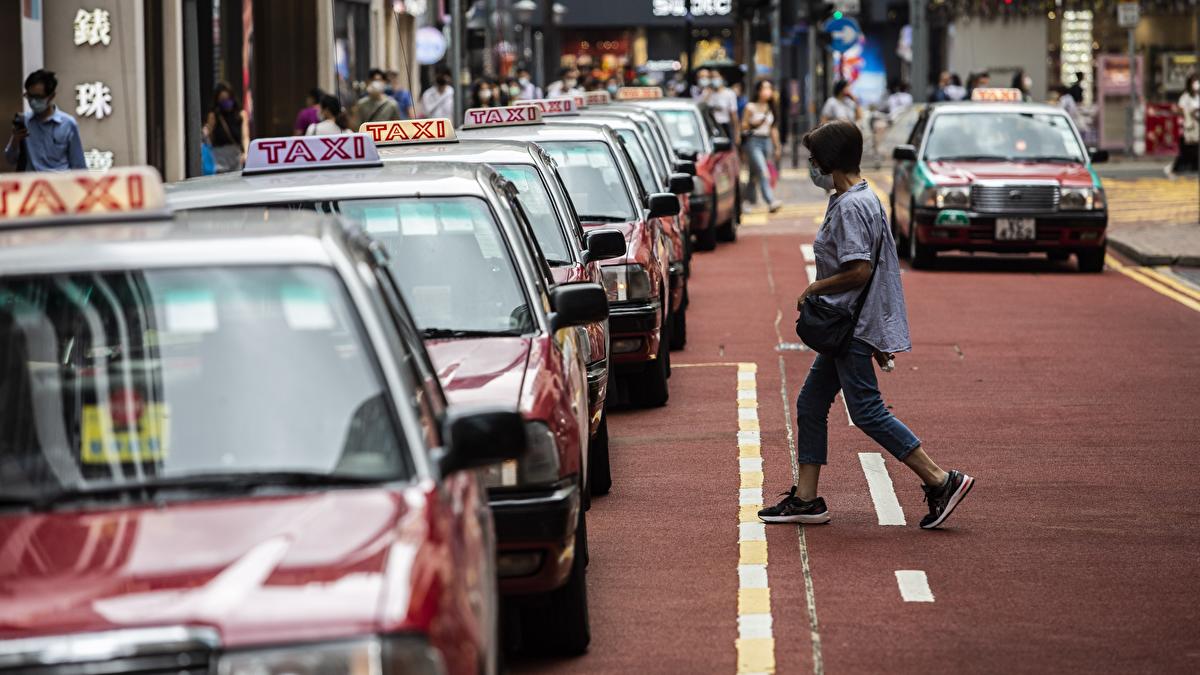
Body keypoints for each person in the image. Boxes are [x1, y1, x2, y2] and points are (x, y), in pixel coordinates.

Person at [758, 119, 975, 530]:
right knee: (810, 404)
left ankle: (940, 479)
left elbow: (859, 270)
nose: (811, 167)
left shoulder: (854, 206)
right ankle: (806, 500)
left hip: (850, 327)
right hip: (854, 325)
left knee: (867, 411)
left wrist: (814, 287)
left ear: (829, 162)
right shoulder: (856, 197)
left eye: (813, 160)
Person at [5, 69, 86, 172]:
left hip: (59, 184)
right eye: (30, 96)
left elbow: (79, 165)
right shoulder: (25, 122)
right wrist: (15, 140)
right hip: (32, 185)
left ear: (51, 96)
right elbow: (10, 159)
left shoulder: (68, 124)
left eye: (38, 97)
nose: (33, 101)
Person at [740, 79, 783, 213]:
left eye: (769, 88)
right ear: (758, 91)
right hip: (753, 141)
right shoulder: (750, 107)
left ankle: (746, 201)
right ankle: (770, 201)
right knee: (763, 172)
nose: (767, 91)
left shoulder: (771, 107)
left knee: (754, 174)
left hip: (767, 142)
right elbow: (743, 126)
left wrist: (777, 146)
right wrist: (754, 124)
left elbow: (773, 128)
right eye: (764, 88)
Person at [203, 82, 249, 174]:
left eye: (228, 99)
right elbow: (209, 135)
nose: (226, 102)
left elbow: (245, 136)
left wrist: (246, 153)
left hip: (236, 157)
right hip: (219, 157)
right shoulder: (214, 116)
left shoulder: (241, 115)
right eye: (223, 100)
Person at [1167, 73, 1200, 178]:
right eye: (1194, 81)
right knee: (1188, 149)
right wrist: (1191, 112)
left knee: (1194, 149)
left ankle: (1192, 167)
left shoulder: (1198, 97)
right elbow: (1180, 110)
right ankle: (1172, 168)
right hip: (1190, 126)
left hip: (1198, 125)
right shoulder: (1185, 97)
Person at [706, 72, 740, 140]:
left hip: (724, 126)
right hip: (711, 126)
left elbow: (734, 114)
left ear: (722, 78)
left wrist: (737, 134)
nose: (714, 79)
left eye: (716, 77)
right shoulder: (709, 94)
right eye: (712, 78)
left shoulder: (729, 93)